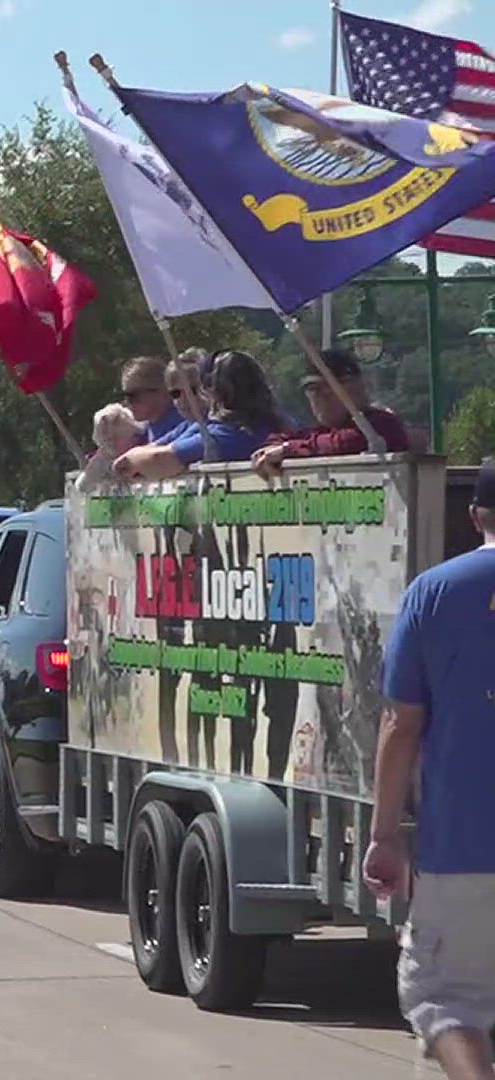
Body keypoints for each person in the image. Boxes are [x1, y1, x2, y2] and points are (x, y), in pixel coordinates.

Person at [365, 458, 495, 1080]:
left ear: (475, 516)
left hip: (467, 845)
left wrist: (385, 835)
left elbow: (401, 725)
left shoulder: (436, 592)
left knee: (444, 1001)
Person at [115, 351, 285, 482]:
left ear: (213, 390)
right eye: (175, 393)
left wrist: (132, 461)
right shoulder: (206, 424)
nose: (185, 399)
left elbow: (159, 459)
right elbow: (157, 446)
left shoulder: (233, 432)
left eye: (197, 388)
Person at [251, 347, 410, 478]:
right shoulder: (320, 433)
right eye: (312, 389)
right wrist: (271, 450)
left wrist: (288, 450)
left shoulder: (381, 424)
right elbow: (281, 439)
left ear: (360, 386)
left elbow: (346, 443)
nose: (321, 397)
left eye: (332, 386)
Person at [119, 356, 187, 443]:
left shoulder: (185, 424)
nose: (128, 401)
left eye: (133, 395)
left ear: (163, 391)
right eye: (125, 396)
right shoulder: (142, 432)